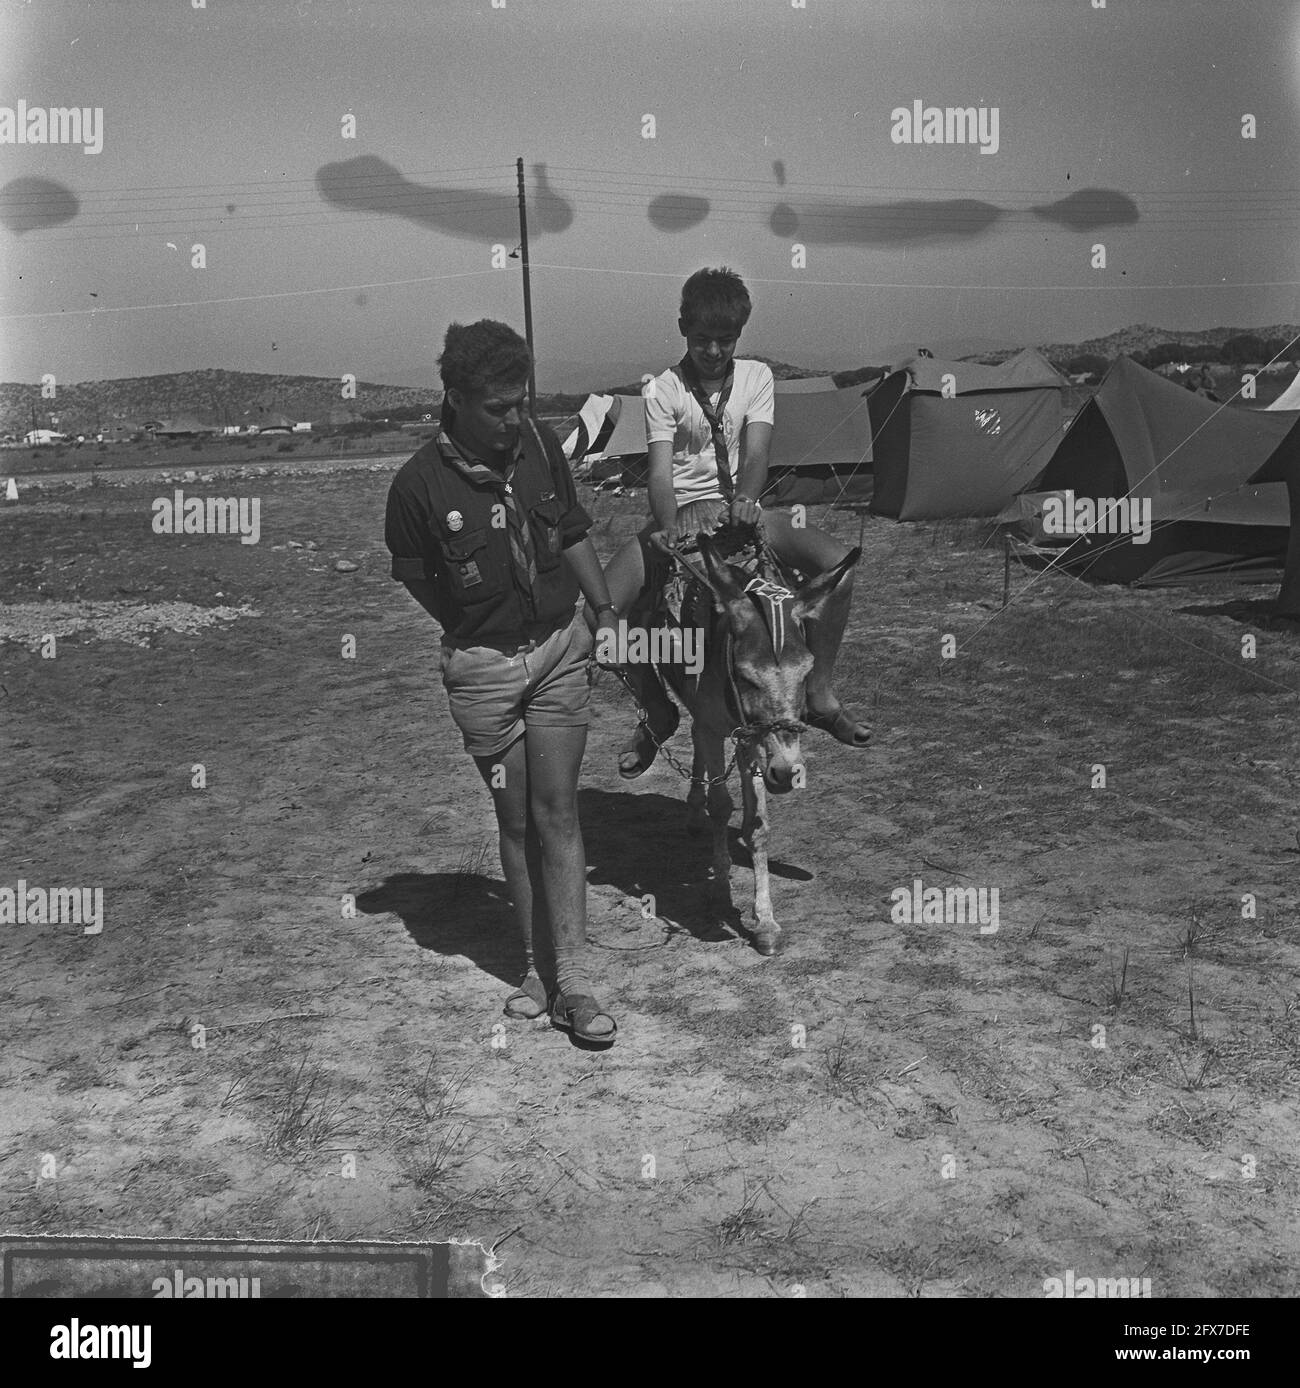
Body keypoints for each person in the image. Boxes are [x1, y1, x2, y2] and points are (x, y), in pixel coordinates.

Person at [385, 320, 620, 1045]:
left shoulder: (542, 446)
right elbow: (418, 577)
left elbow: (572, 530)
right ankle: (534, 968)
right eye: (498, 407)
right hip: (484, 673)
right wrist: (478, 630)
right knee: (514, 821)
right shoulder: (418, 486)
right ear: (454, 398)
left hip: (556, 653)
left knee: (559, 813)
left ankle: (573, 982)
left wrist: (605, 609)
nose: (514, 419)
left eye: (522, 402)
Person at [592, 266, 870, 778]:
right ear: (682, 329)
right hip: (680, 514)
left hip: (741, 510)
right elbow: (658, 470)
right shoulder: (663, 390)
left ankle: (819, 691)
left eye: (726, 340)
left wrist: (746, 497)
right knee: (600, 615)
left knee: (837, 566)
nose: (714, 351)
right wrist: (668, 522)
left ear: (740, 336)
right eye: (702, 339)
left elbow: (758, 451)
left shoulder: (757, 377)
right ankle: (656, 708)